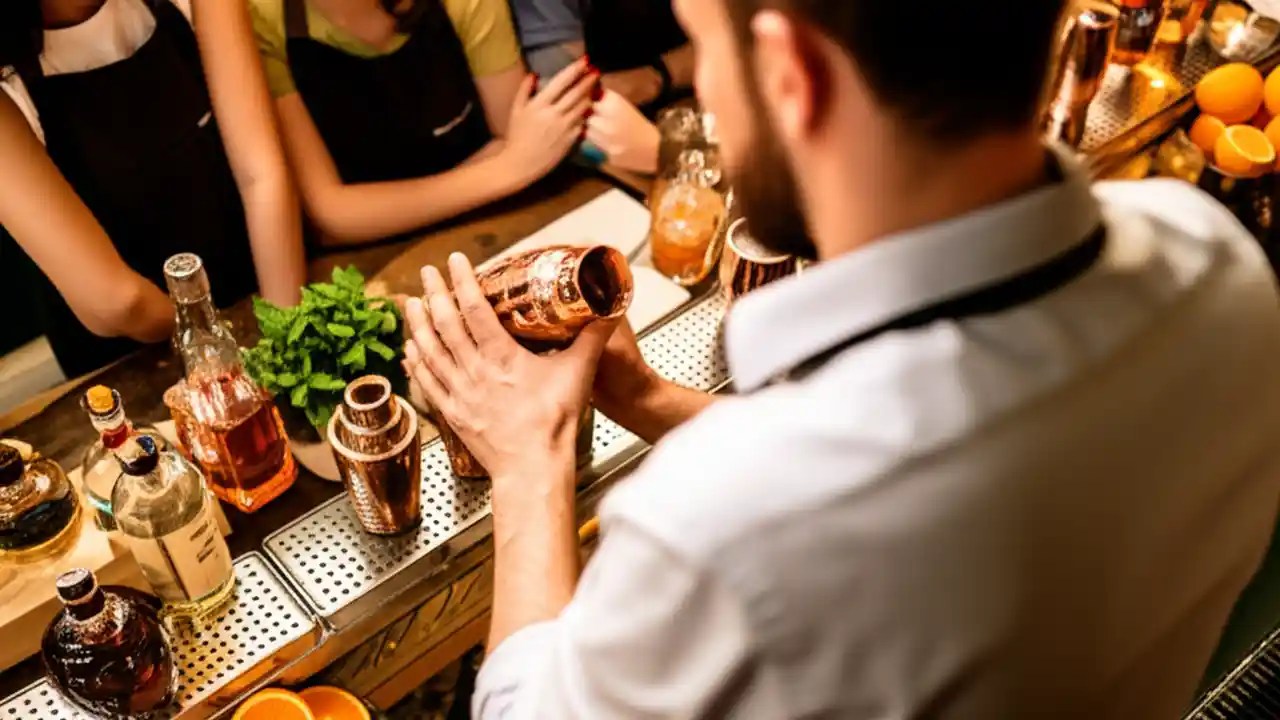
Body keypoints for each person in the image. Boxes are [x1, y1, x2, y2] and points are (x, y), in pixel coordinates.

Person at [405, 0, 1280, 718]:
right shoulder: (1219, 268)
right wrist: (652, 401)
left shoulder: (722, 524)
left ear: (792, 74)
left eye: (709, 50)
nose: (709, 88)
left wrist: (528, 465)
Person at [0, 0, 305, 377]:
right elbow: (116, 302)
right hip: (134, 373)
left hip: (257, 296)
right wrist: (222, 353)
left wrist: (286, 344)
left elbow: (262, 176)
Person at [242, 0, 596, 246]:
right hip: (369, 266)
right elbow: (331, 214)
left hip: (495, 225)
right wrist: (509, 169)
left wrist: (373, 211)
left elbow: (516, 134)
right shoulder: (263, 16)